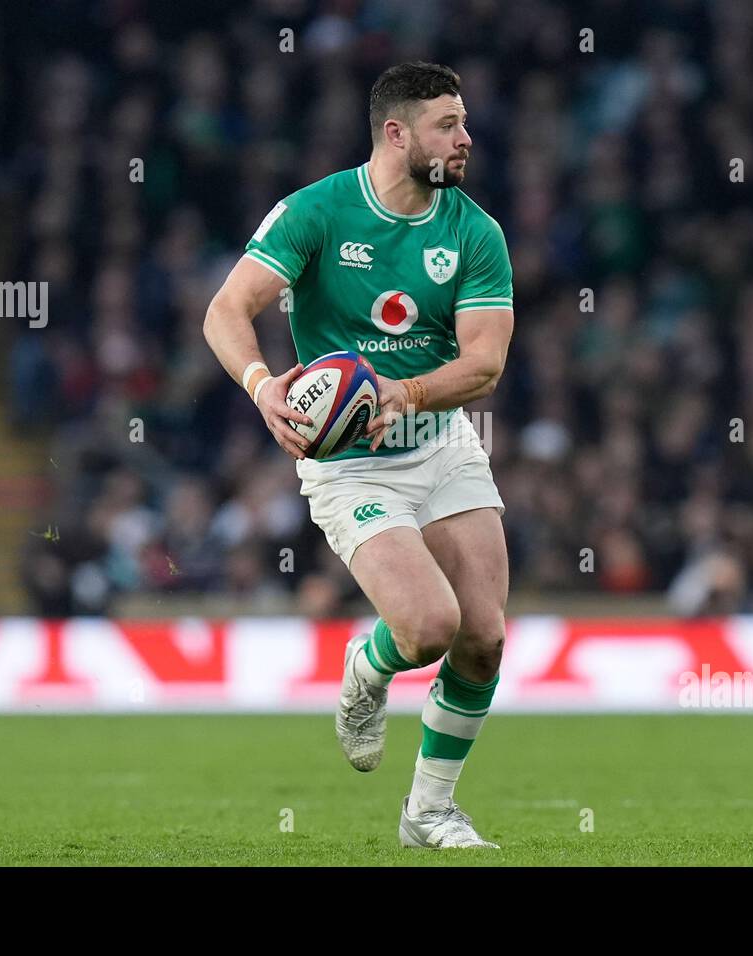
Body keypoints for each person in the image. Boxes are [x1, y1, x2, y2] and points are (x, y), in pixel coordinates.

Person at [203, 61, 514, 849]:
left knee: (484, 634)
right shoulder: (318, 212)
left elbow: (484, 364)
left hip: (442, 442)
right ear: (397, 132)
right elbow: (228, 308)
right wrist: (261, 383)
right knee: (428, 627)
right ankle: (368, 670)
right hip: (349, 462)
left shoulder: (473, 231)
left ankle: (429, 813)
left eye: (465, 122)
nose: (466, 138)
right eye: (449, 124)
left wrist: (403, 396)